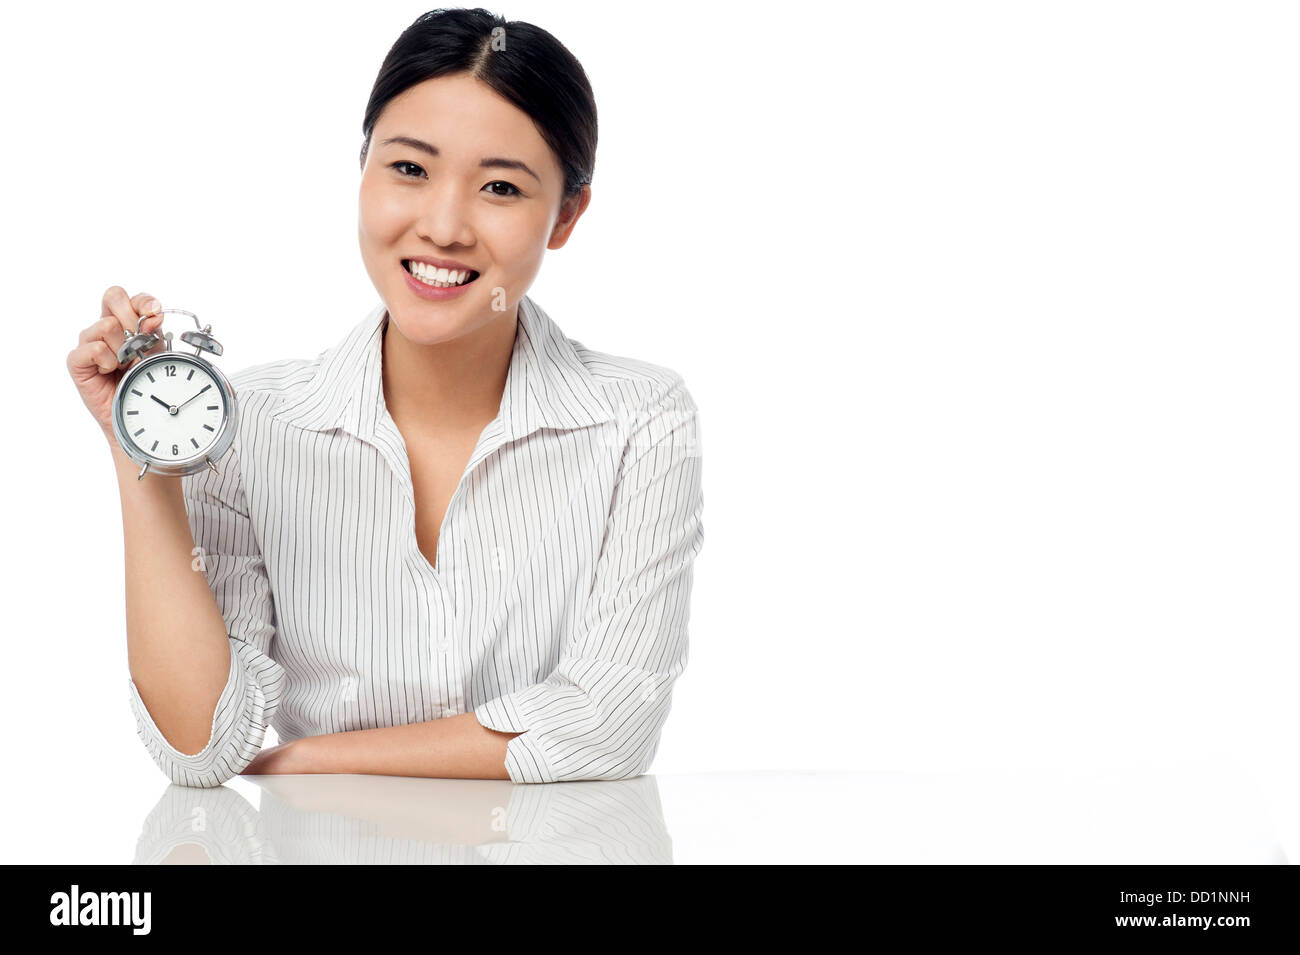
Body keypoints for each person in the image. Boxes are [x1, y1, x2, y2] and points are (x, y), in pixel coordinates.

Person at [66, 8, 704, 788]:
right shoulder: (252, 423)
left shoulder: (641, 420)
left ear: (566, 215)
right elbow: (200, 748)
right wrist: (148, 461)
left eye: (500, 186)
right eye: (409, 169)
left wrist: (313, 756)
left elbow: (609, 725)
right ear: (363, 166)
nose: (442, 226)